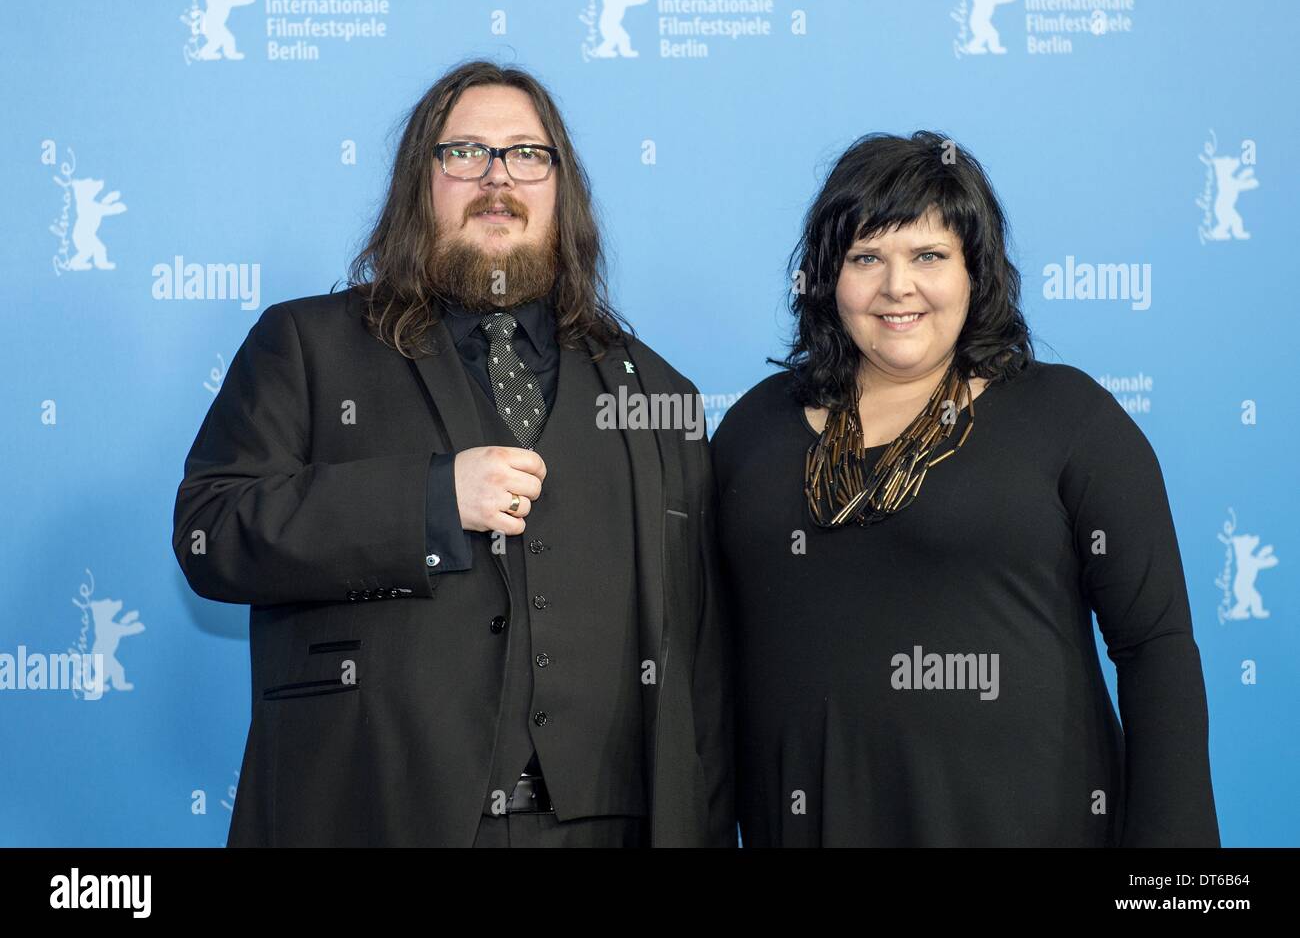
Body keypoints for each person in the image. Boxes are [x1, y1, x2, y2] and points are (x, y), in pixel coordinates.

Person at [171, 60, 734, 848]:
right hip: (375, 814)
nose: (497, 178)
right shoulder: (306, 345)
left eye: (527, 155)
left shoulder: (660, 395)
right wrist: (429, 502)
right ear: (418, 184)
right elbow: (212, 530)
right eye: (464, 152)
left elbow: (698, 661)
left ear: (561, 189)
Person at [710, 130, 1219, 847]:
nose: (897, 287)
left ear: (975, 270)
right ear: (827, 278)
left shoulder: (1069, 418)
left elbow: (1157, 649)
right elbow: (701, 665)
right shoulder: (750, 431)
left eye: (928, 256)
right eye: (866, 258)